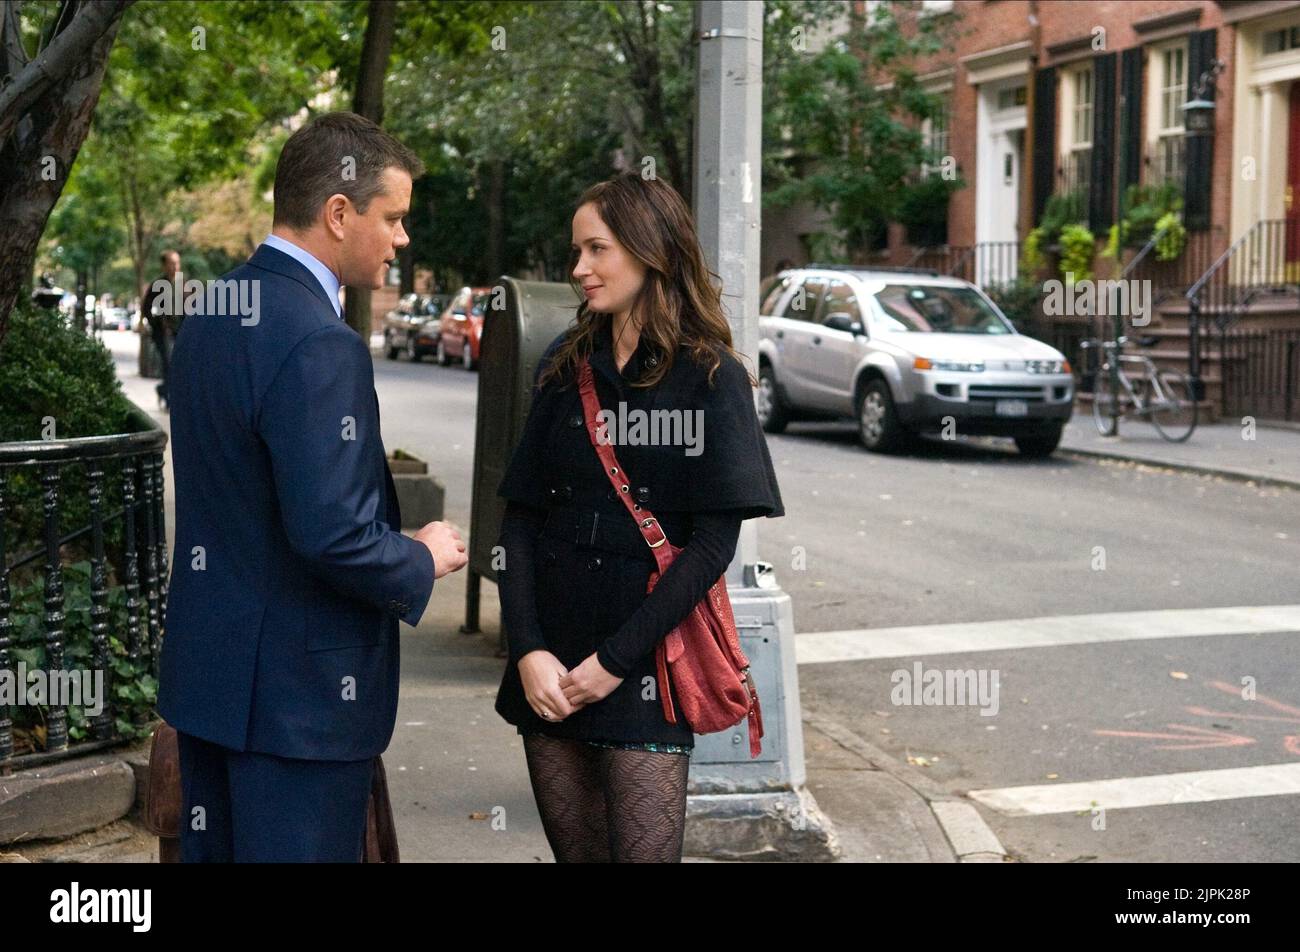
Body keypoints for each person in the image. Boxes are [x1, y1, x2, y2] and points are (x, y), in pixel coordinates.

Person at [157, 112, 468, 862]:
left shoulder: (210, 312)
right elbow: (332, 534)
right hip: (300, 710)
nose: (402, 239)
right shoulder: (320, 340)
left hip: (211, 689)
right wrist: (423, 556)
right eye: (392, 218)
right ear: (339, 212)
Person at [493, 172, 784, 862]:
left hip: (644, 661)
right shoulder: (565, 365)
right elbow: (520, 520)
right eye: (577, 252)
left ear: (649, 250)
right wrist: (528, 647)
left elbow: (713, 546)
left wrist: (616, 662)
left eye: (596, 250)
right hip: (553, 662)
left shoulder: (709, 376)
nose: (579, 269)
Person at [141, 250, 181, 408]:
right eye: (171, 263)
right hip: (163, 334)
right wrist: (156, 324)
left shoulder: (183, 284)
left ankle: (163, 390)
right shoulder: (157, 285)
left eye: (177, 263)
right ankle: (170, 399)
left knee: (177, 365)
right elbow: (146, 308)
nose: (175, 267)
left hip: (180, 333)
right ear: (164, 266)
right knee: (168, 364)